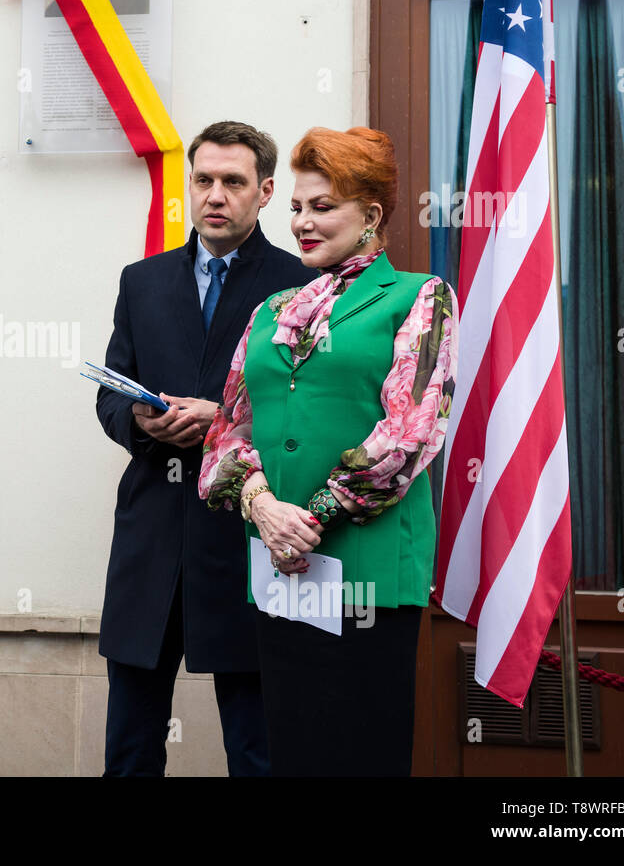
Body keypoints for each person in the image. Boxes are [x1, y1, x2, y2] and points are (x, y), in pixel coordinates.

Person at [198, 126, 457, 776]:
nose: (302, 223)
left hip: (367, 576)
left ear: (370, 215)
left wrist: (306, 516)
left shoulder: (420, 297)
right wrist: (263, 508)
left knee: (361, 754)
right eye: (296, 207)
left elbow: (408, 435)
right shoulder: (271, 309)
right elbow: (225, 435)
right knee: (294, 751)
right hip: (283, 575)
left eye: (322, 207)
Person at [95, 121, 316, 776]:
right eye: (204, 180)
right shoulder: (143, 281)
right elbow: (109, 396)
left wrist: (224, 418)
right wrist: (140, 419)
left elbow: (315, 410)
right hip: (150, 542)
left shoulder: (299, 285)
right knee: (130, 751)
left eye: (233, 182)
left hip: (248, 538)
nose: (215, 194)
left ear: (266, 191)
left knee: (258, 751)